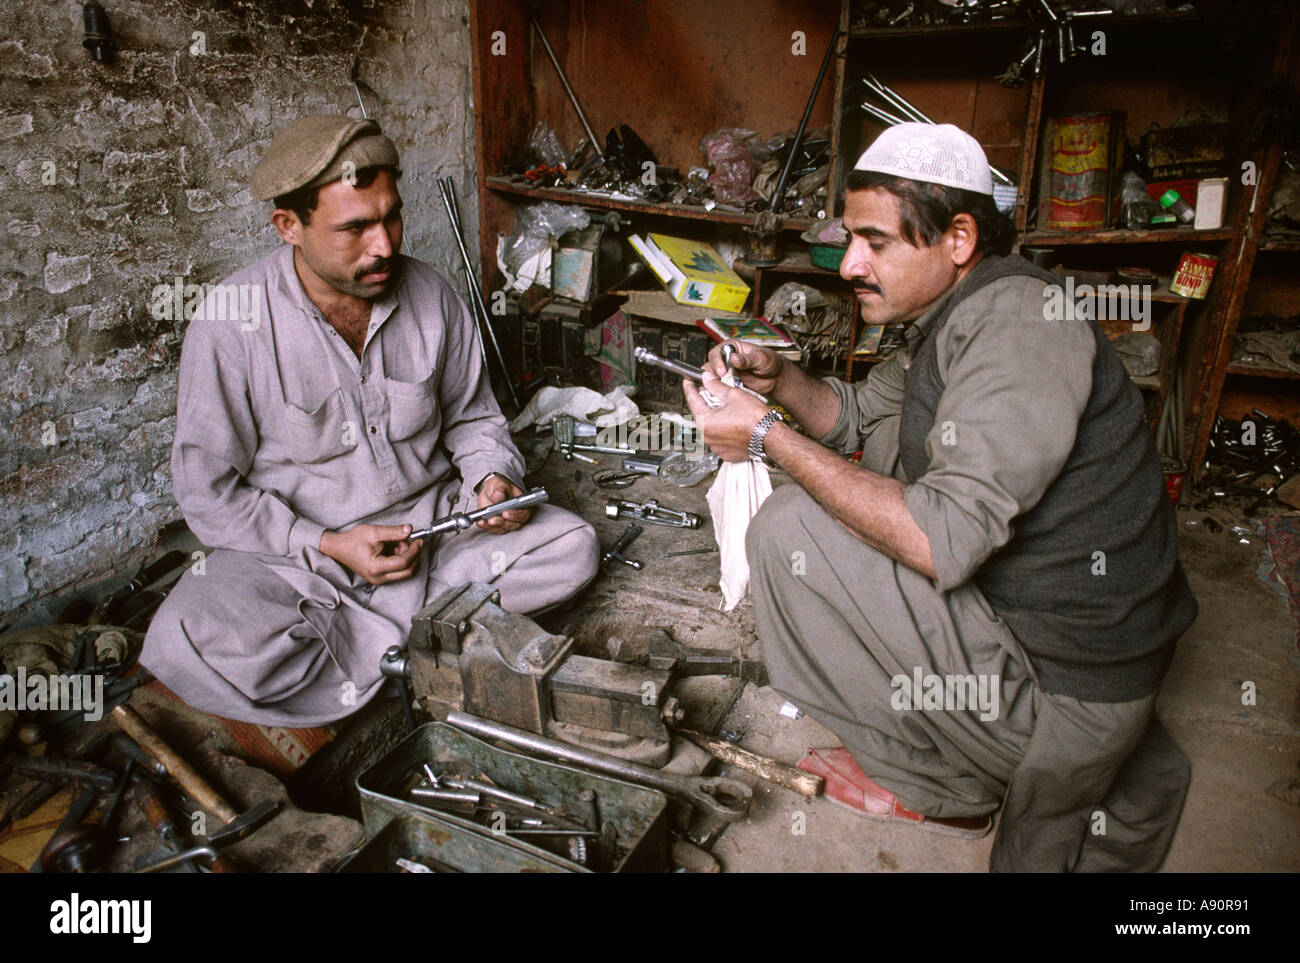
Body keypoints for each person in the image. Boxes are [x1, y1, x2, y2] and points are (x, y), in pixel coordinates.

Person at [685, 123, 1197, 872]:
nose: (850, 264)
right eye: (848, 238)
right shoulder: (952, 312)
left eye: (875, 242)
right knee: (801, 515)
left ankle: (954, 779)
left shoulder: (1020, 327)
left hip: (1073, 688)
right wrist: (780, 386)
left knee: (793, 526)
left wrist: (766, 437)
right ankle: (955, 766)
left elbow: (942, 537)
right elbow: (860, 419)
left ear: (958, 237)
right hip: (1028, 625)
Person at [143, 115, 598, 727]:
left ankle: (370, 652)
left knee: (571, 546)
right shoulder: (229, 325)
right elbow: (208, 495)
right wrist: (326, 544)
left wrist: (490, 480)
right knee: (189, 636)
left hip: (434, 536)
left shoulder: (432, 296)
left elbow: (473, 418)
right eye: (354, 227)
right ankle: (424, 638)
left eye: (391, 216)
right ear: (289, 227)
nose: (384, 245)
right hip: (299, 562)